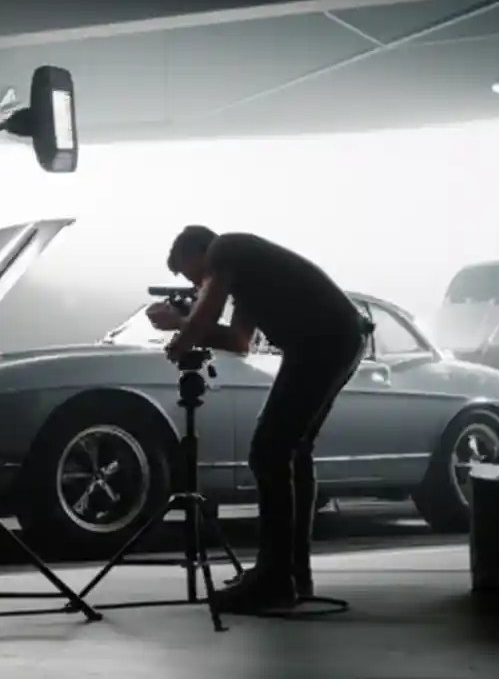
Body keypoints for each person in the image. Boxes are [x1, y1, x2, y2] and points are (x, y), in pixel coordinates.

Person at [147, 225, 371, 613]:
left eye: (197, 277)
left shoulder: (226, 248)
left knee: (268, 452)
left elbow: (204, 319)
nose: (200, 287)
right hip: (333, 339)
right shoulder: (246, 274)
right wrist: (187, 323)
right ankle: (291, 574)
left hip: (323, 341)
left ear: (200, 252)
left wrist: (179, 332)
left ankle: (274, 580)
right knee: (292, 451)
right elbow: (238, 340)